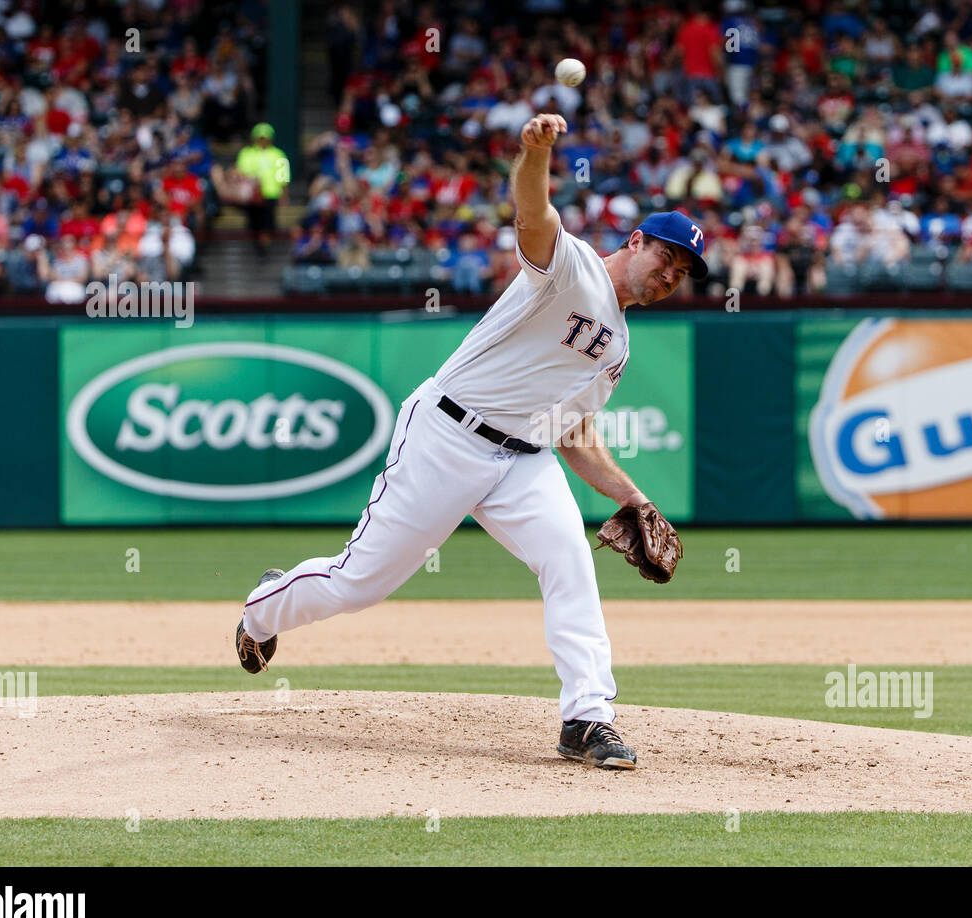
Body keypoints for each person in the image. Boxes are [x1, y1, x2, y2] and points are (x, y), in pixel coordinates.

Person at [234, 114, 708, 771]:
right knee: (359, 582)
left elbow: (571, 432)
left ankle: (587, 719)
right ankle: (264, 610)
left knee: (569, 559)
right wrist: (535, 152)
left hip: (521, 460)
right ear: (636, 241)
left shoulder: (620, 347)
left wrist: (637, 500)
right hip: (446, 436)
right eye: (666, 257)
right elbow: (532, 212)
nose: (669, 274)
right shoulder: (571, 270)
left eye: (682, 272)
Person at [234, 123, 289, 258]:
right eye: (260, 137)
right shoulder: (246, 153)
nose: (262, 140)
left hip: (271, 193)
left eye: (265, 137)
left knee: (268, 220)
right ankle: (257, 244)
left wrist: (284, 195)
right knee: (255, 221)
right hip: (252, 195)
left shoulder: (278, 154)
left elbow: (283, 177)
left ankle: (264, 245)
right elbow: (240, 172)